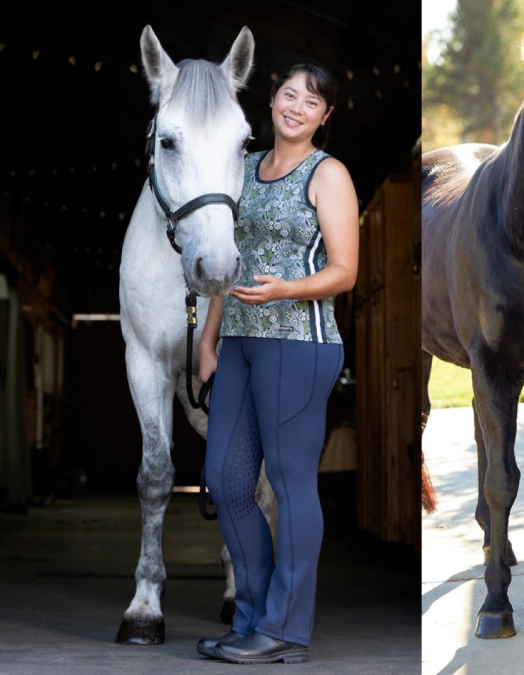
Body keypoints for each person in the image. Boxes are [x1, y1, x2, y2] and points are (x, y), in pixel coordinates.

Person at [195, 62, 358, 664]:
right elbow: (224, 261)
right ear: (272, 100)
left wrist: (286, 290)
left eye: (311, 101)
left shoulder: (328, 173)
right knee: (226, 480)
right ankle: (253, 617)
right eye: (289, 94)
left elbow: (345, 271)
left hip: (300, 342)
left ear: (325, 116)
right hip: (237, 341)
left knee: (290, 486)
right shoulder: (241, 170)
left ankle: (285, 629)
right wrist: (209, 340)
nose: (296, 107)